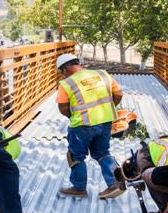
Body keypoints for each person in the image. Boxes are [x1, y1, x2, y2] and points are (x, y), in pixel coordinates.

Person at [53, 53, 126, 200]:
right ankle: (115, 184)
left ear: (66, 68)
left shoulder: (67, 83)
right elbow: (118, 94)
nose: (62, 75)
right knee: (103, 153)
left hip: (82, 126)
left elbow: (63, 107)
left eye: (61, 71)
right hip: (105, 122)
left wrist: (73, 116)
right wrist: (107, 109)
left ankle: (79, 188)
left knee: (75, 156)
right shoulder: (102, 74)